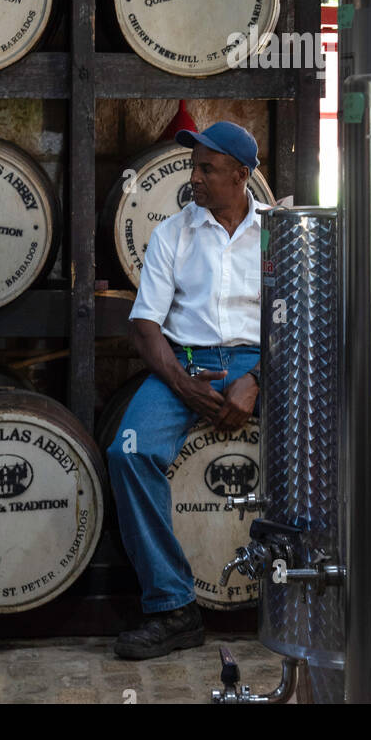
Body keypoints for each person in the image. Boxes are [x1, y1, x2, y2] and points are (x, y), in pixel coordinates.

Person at [107, 120, 269, 659]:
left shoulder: (277, 232)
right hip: (188, 363)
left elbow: (302, 319)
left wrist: (258, 380)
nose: (193, 178)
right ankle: (173, 607)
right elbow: (145, 326)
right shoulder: (173, 233)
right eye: (192, 166)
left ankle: (295, 589)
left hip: (260, 360)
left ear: (240, 174)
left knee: (321, 452)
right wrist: (183, 385)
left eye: (206, 168)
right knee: (128, 450)